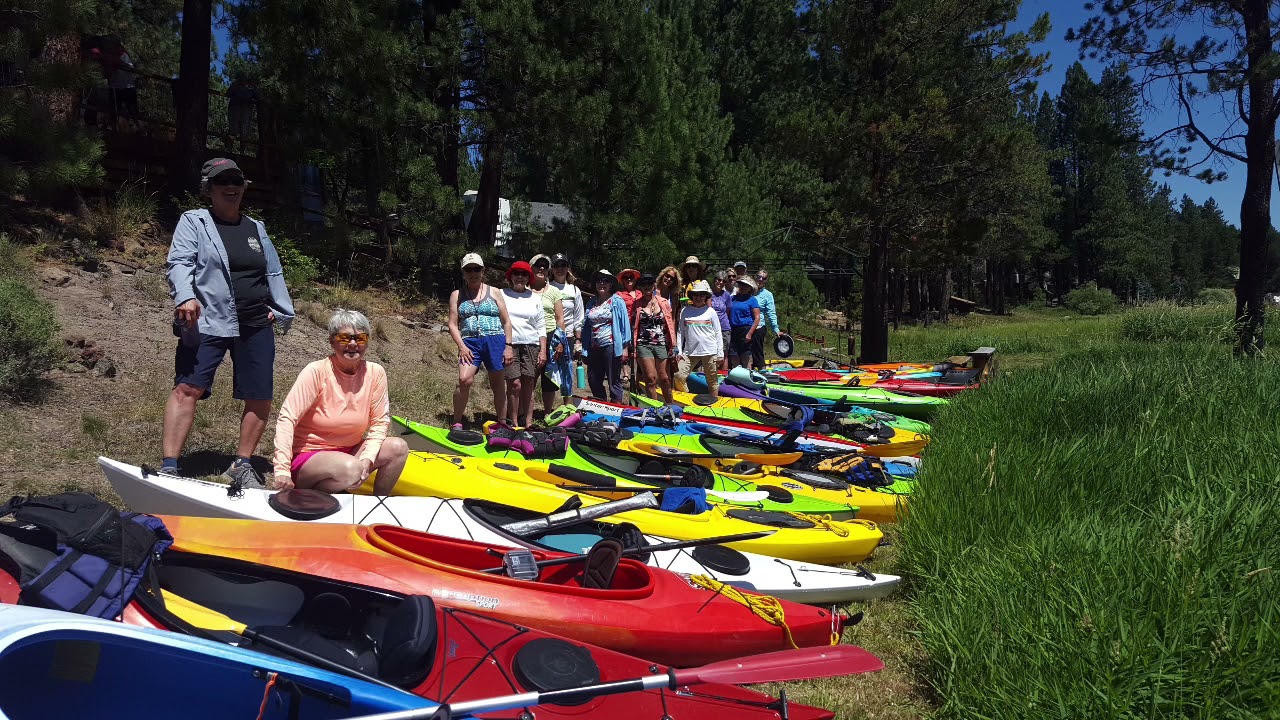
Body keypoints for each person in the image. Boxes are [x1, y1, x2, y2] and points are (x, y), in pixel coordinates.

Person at [161, 158, 295, 486]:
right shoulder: (195, 221)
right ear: (209, 189)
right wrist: (185, 296)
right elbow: (178, 262)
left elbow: (272, 271)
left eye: (236, 180)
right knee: (188, 387)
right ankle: (169, 466)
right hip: (209, 318)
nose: (231, 187)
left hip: (255, 322)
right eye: (222, 182)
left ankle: (241, 464)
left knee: (259, 394)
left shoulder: (255, 228)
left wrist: (279, 308)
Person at [271, 310, 409, 494]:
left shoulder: (376, 373)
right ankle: (308, 497)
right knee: (351, 469)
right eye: (345, 338)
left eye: (360, 338)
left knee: (398, 448)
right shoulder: (316, 371)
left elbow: (379, 423)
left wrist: (367, 458)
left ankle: (377, 504)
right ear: (332, 341)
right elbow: (287, 418)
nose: (353, 344)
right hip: (310, 457)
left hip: (350, 452)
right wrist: (282, 469)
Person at [448, 252, 513, 430]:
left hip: (495, 340)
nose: (473, 272)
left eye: (476, 268)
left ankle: (502, 423)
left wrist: (508, 346)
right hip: (470, 342)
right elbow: (453, 324)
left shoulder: (495, 292)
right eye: (468, 269)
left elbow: (506, 321)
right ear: (463, 272)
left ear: (483, 270)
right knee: (464, 379)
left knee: (497, 383)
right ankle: (457, 420)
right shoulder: (457, 294)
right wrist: (461, 346)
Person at [502, 261, 547, 427]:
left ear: (529, 277)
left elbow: (541, 326)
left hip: (531, 344)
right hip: (510, 345)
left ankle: (528, 422)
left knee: (529, 383)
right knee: (514, 384)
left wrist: (543, 350)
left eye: (524, 274)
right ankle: (513, 422)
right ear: (511, 276)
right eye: (516, 273)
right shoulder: (502, 294)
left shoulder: (534, 298)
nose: (519, 277)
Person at [582, 269, 632, 402]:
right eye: (599, 280)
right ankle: (601, 403)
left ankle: (616, 405)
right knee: (593, 378)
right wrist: (583, 347)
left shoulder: (617, 301)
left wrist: (625, 347)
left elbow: (624, 325)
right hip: (594, 346)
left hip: (611, 345)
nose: (601, 283)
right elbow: (586, 325)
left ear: (611, 284)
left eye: (605, 281)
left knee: (613, 379)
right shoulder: (592, 302)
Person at [529, 254, 569, 415]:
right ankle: (525, 411)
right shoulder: (524, 290)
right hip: (530, 337)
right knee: (529, 376)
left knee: (549, 377)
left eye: (545, 266)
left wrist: (560, 342)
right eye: (538, 265)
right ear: (531, 267)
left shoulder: (553, 291)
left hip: (551, 336)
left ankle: (547, 412)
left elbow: (560, 318)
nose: (541, 269)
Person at [632, 273, 676, 404]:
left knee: (664, 378)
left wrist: (674, 345)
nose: (646, 287)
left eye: (649, 283)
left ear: (654, 285)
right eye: (643, 284)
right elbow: (632, 324)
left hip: (661, 343)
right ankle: (655, 409)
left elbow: (670, 324)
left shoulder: (663, 302)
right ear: (640, 287)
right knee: (651, 378)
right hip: (643, 343)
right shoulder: (637, 304)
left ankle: (670, 405)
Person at [676, 280, 723, 397]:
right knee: (679, 376)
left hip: (710, 351)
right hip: (689, 351)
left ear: (706, 296)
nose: (698, 297)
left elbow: (718, 332)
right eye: (696, 294)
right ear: (692, 296)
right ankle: (687, 399)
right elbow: (680, 332)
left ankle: (714, 403)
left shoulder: (711, 311)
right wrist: (679, 351)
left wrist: (720, 353)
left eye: (702, 295)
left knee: (712, 380)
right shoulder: (685, 311)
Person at [547, 253, 584, 392]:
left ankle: (567, 405)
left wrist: (578, 340)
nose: (560, 269)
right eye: (556, 265)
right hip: (550, 334)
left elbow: (578, 316)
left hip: (567, 336)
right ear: (552, 269)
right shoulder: (547, 287)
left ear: (568, 268)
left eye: (563, 265)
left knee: (566, 371)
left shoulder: (574, 290)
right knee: (549, 370)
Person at [727, 276, 761, 369]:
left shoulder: (752, 300)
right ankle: (736, 375)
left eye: (746, 285)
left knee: (745, 355)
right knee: (733, 354)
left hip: (745, 329)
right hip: (733, 329)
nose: (743, 287)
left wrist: (750, 333)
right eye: (741, 284)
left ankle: (747, 375)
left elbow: (757, 318)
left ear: (750, 288)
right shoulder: (732, 298)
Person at [751, 269, 781, 369]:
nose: (760, 280)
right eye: (759, 277)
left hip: (759, 326)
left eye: (763, 278)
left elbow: (771, 313)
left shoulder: (768, 295)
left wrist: (776, 329)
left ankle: (761, 371)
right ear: (754, 277)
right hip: (745, 325)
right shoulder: (747, 291)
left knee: (757, 351)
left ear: (766, 281)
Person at [227, 75, 259, 154]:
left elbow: (258, 97)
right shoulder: (236, 86)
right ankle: (229, 151)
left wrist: (254, 88)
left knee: (244, 132)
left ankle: (241, 152)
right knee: (233, 131)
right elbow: (228, 93)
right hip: (236, 111)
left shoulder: (251, 89)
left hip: (245, 112)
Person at [710, 271, 733, 372]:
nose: (721, 282)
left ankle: (723, 377)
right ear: (715, 280)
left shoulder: (726, 295)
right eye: (719, 280)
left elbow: (727, 311)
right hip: (710, 327)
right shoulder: (708, 294)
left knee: (723, 354)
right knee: (711, 354)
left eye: (724, 281)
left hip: (724, 327)